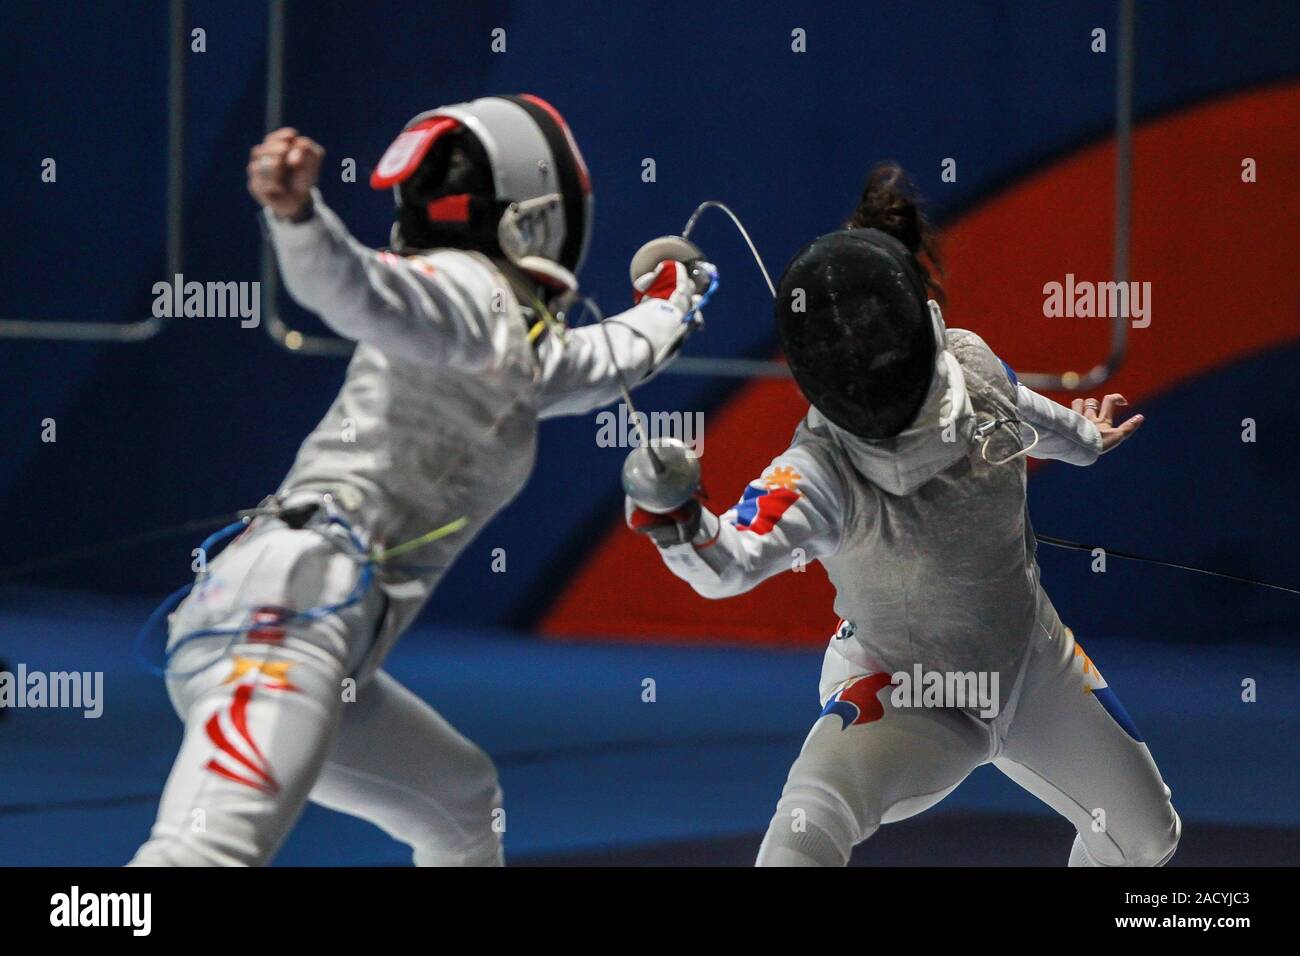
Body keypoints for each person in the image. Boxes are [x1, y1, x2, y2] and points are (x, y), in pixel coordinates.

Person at [130, 94, 715, 866]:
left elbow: (605, 358)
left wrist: (674, 300)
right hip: (285, 617)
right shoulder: (464, 291)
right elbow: (357, 288)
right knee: (201, 857)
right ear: (538, 218)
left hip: (324, 635)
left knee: (462, 805)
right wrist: (300, 220)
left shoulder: (511, 342)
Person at [627, 163, 1179, 867]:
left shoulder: (975, 367)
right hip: (909, 693)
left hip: (1032, 664)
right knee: (811, 814)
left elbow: (1033, 419)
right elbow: (728, 561)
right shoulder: (819, 467)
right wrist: (675, 517)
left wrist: (1088, 437)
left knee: (1146, 838)